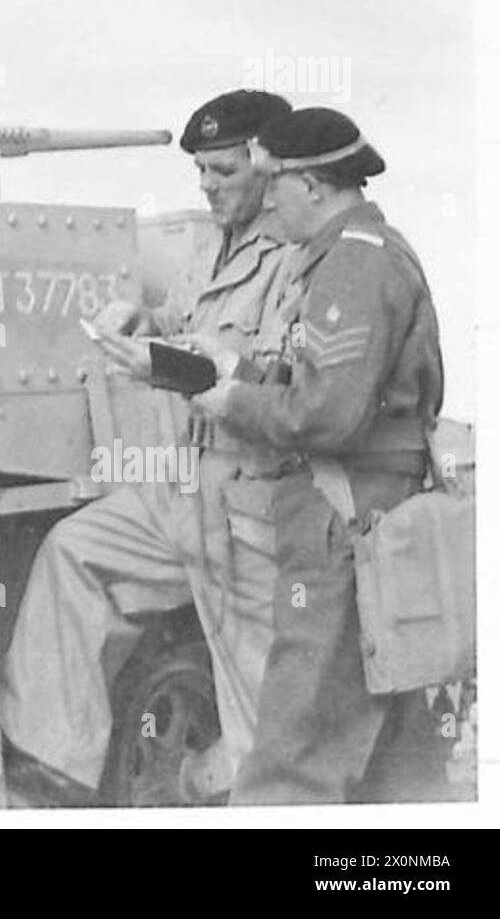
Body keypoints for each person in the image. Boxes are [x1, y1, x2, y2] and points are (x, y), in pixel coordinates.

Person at [0, 88, 293, 805]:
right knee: (75, 554)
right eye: (200, 174)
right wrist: (142, 318)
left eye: (222, 172)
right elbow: (183, 315)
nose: (208, 188)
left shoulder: (299, 252)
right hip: (188, 485)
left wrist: (171, 359)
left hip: (257, 495)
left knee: (264, 706)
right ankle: (55, 766)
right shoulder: (215, 240)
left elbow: (283, 376)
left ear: (267, 163)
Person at [191, 107, 444, 804]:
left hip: (341, 526)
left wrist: (231, 403)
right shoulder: (353, 254)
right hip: (362, 518)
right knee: (393, 753)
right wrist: (233, 365)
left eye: (274, 183)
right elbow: (323, 384)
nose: (265, 200)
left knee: (292, 755)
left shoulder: (355, 263)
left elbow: (326, 416)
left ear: (312, 184)